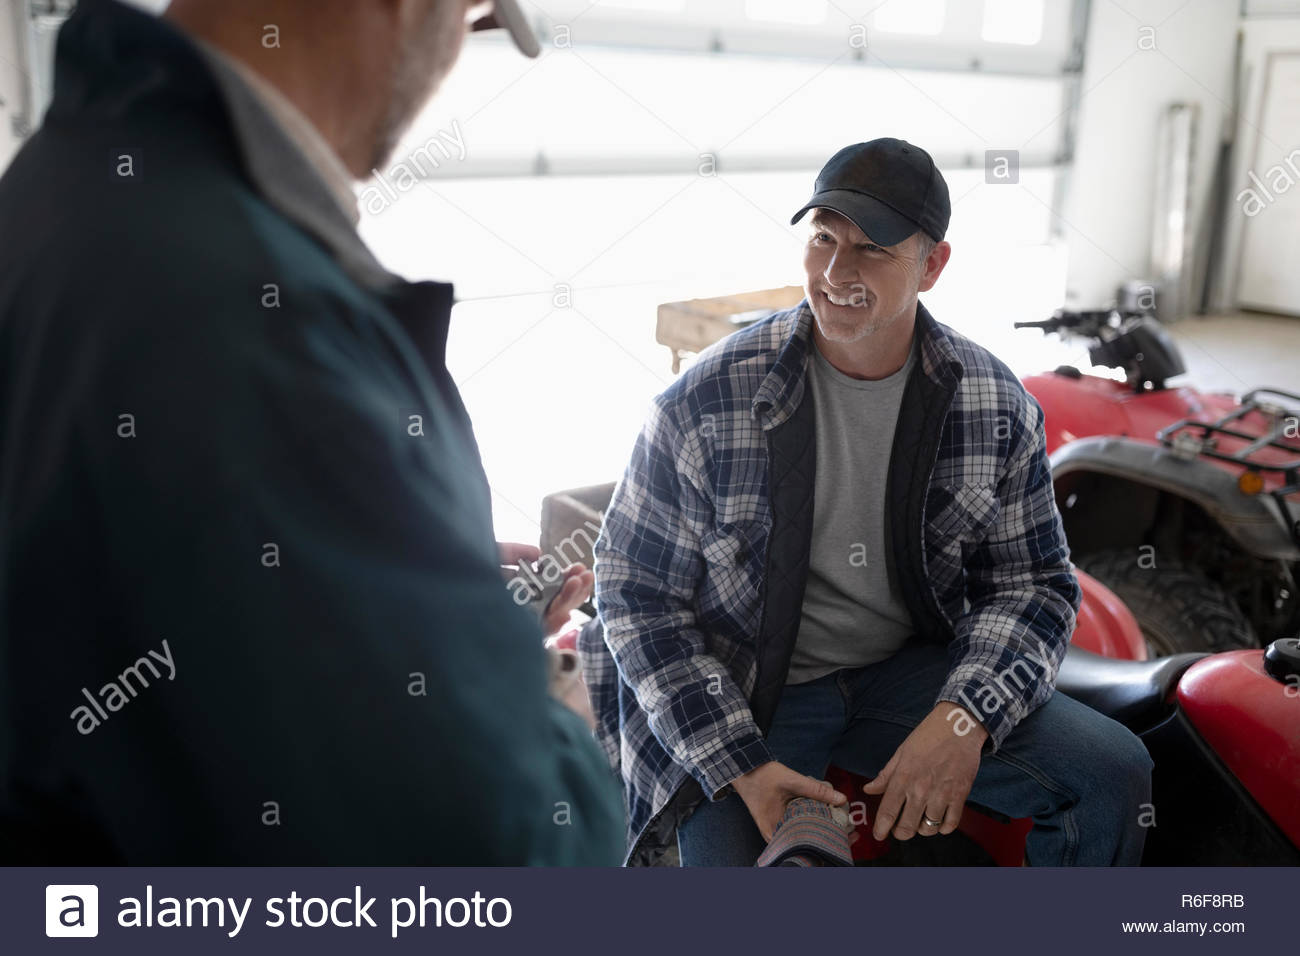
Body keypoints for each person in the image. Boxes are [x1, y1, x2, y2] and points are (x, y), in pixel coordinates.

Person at [0, 0, 622, 864]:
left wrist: (422, 591)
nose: (455, 55)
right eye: (473, 18)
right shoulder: (259, 322)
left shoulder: (68, 183)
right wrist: (556, 721)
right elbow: (482, 853)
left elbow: (191, 590)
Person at [582, 138, 1154, 866]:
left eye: (874, 248)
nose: (835, 272)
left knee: (1112, 775)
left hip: (904, 672)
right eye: (823, 238)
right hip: (752, 692)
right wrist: (744, 769)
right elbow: (633, 595)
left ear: (933, 265)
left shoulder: (993, 404)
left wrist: (961, 718)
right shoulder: (704, 402)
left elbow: (1033, 586)